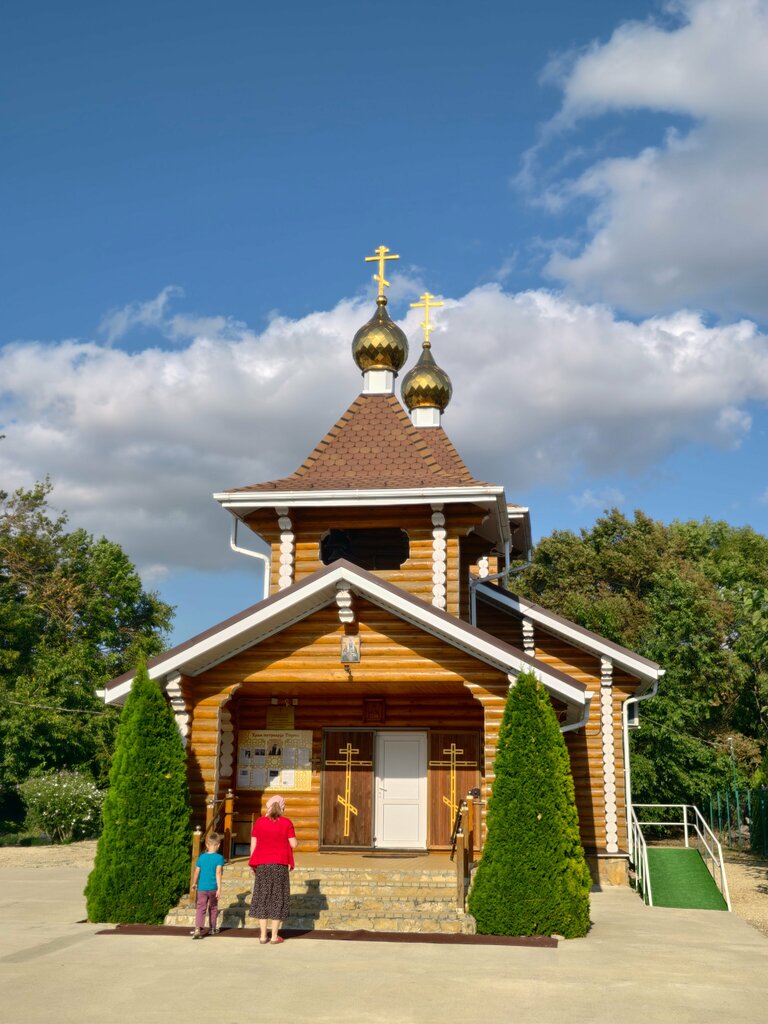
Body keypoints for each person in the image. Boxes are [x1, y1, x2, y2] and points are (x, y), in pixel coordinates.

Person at [248, 794, 298, 944]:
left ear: (268, 807)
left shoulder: (260, 822)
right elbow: (294, 844)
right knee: (278, 899)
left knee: (262, 898)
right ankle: (275, 937)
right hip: (279, 866)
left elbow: (253, 845)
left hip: (262, 865)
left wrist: (252, 864)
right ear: (282, 807)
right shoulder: (286, 823)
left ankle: (263, 936)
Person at [191, 831, 225, 939]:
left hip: (202, 887)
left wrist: (194, 882)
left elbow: (197, 871)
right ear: (218, 845)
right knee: (213, 907)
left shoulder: (201, 857)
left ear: (206, 844)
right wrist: (219, 888)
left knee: (201, 907)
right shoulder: (219, 858)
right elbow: (218, 872)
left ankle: (197, 928)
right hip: (213, 888)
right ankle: (212, 928)